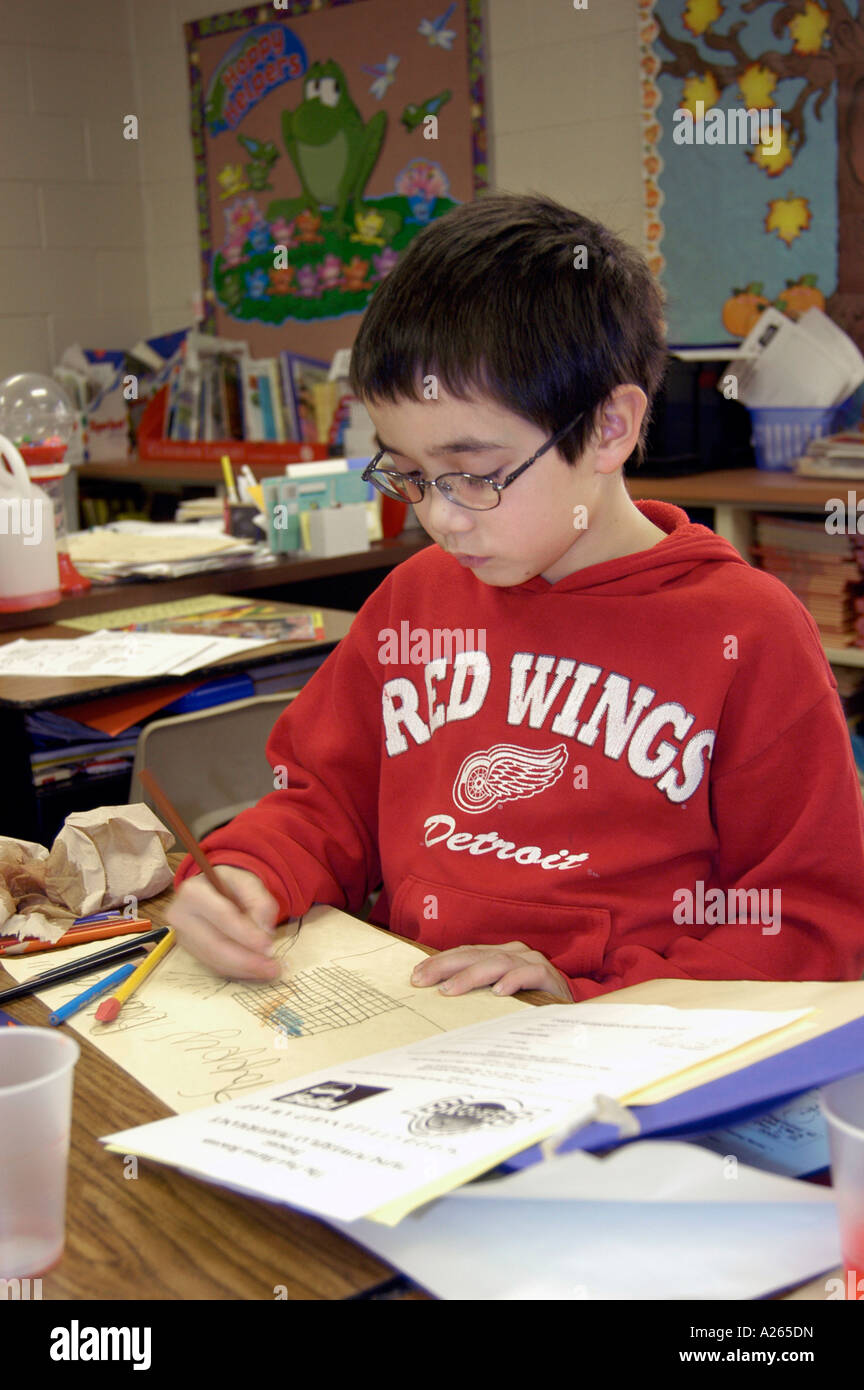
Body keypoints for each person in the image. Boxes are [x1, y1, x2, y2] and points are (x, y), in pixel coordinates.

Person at [167, 193, 864, 1002]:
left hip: (636, 1068)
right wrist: (253, 871)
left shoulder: (747, 632)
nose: (438, 515)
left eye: (473, 472)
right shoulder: (412, 604)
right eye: (410, 472)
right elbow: (325, 802)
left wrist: (590, 998)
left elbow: (807, 922)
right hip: (420, 1031)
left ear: (610, 428)